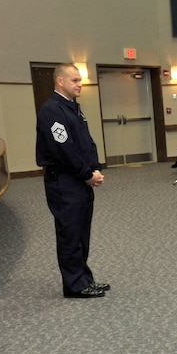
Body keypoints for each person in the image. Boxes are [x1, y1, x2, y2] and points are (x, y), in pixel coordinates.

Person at [35, 63, 107, 298]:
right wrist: (86, 174)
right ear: (60, 81)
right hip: (65, 182)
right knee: (70, 234)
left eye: (80, 80)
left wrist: (94, 167)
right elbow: (63, 149)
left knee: (81, 234)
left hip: (79, 180)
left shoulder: (73, 108)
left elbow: (86, 142)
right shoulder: (52, 110)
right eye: (75, 80)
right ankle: (75, 285)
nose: (80, 84)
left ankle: (84, 279)